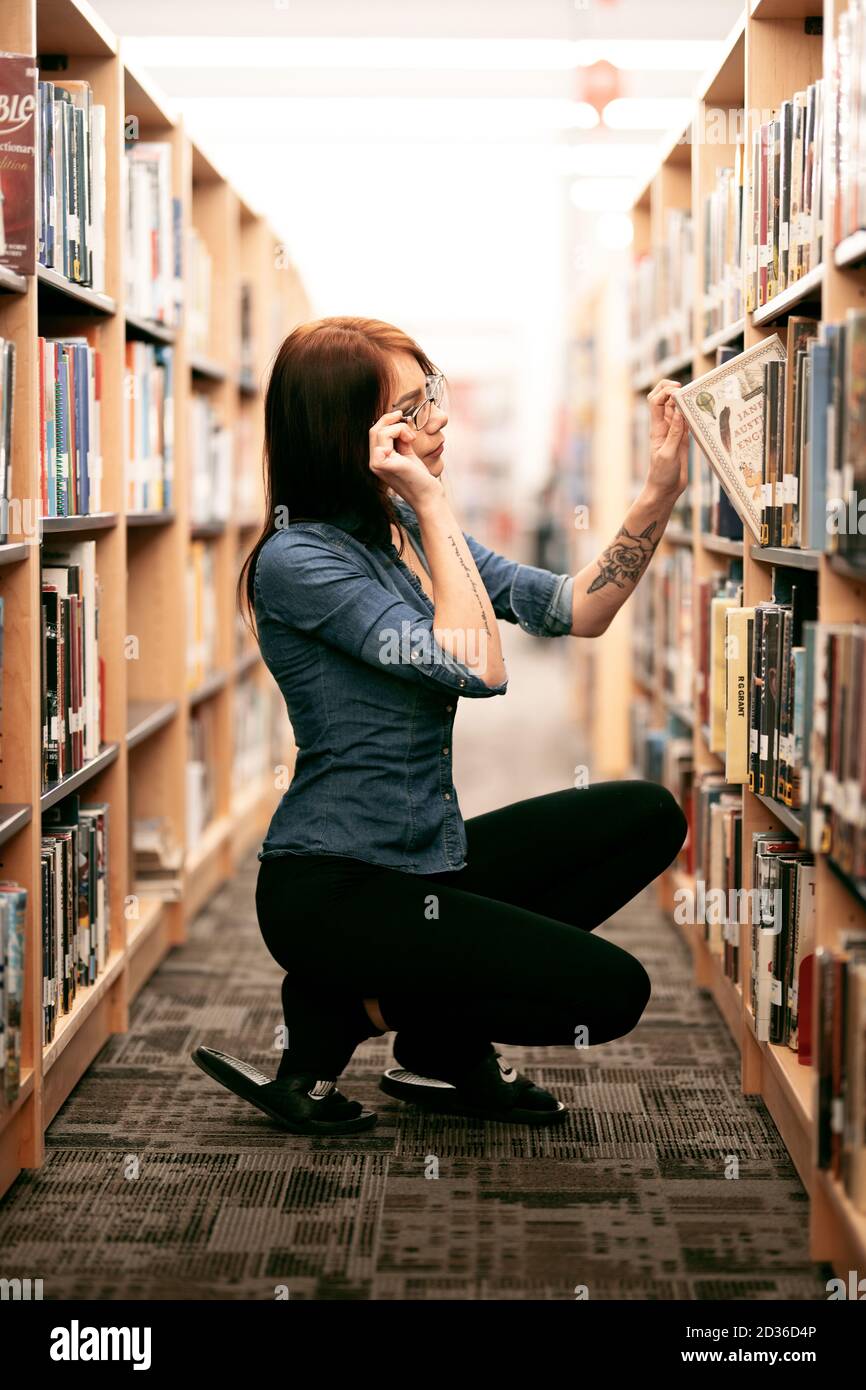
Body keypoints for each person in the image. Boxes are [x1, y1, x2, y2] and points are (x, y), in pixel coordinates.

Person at [192, 316, 689, 1135]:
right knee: (612, 993)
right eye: (416, 407)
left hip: (428, 862)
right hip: (333, 885)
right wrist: (430, 499)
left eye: (436, 396)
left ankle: (412, 1027)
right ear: (357, 435)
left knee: (646, 816)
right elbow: (480, 667)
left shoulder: (403, 539)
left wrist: (659, 490)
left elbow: (580, 610)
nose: (440, 420)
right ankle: (376, 1010)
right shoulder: (301, 562)